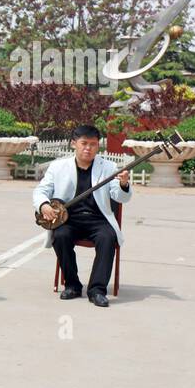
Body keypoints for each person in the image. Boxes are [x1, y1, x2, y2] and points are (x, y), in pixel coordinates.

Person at [34, 123, 132, 307]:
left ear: (98, 145)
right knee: (61, 235)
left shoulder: (109, 167)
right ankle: (72, 285)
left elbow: (120, 198)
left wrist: (124, 184)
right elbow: (41, 191)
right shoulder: (58, 167)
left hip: (98, 219)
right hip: (69, 219)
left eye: (93, 144)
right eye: (84, 143)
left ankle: (97, 290)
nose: (88, 148)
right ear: (74, 144)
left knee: (108, 237)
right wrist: (44, 205)